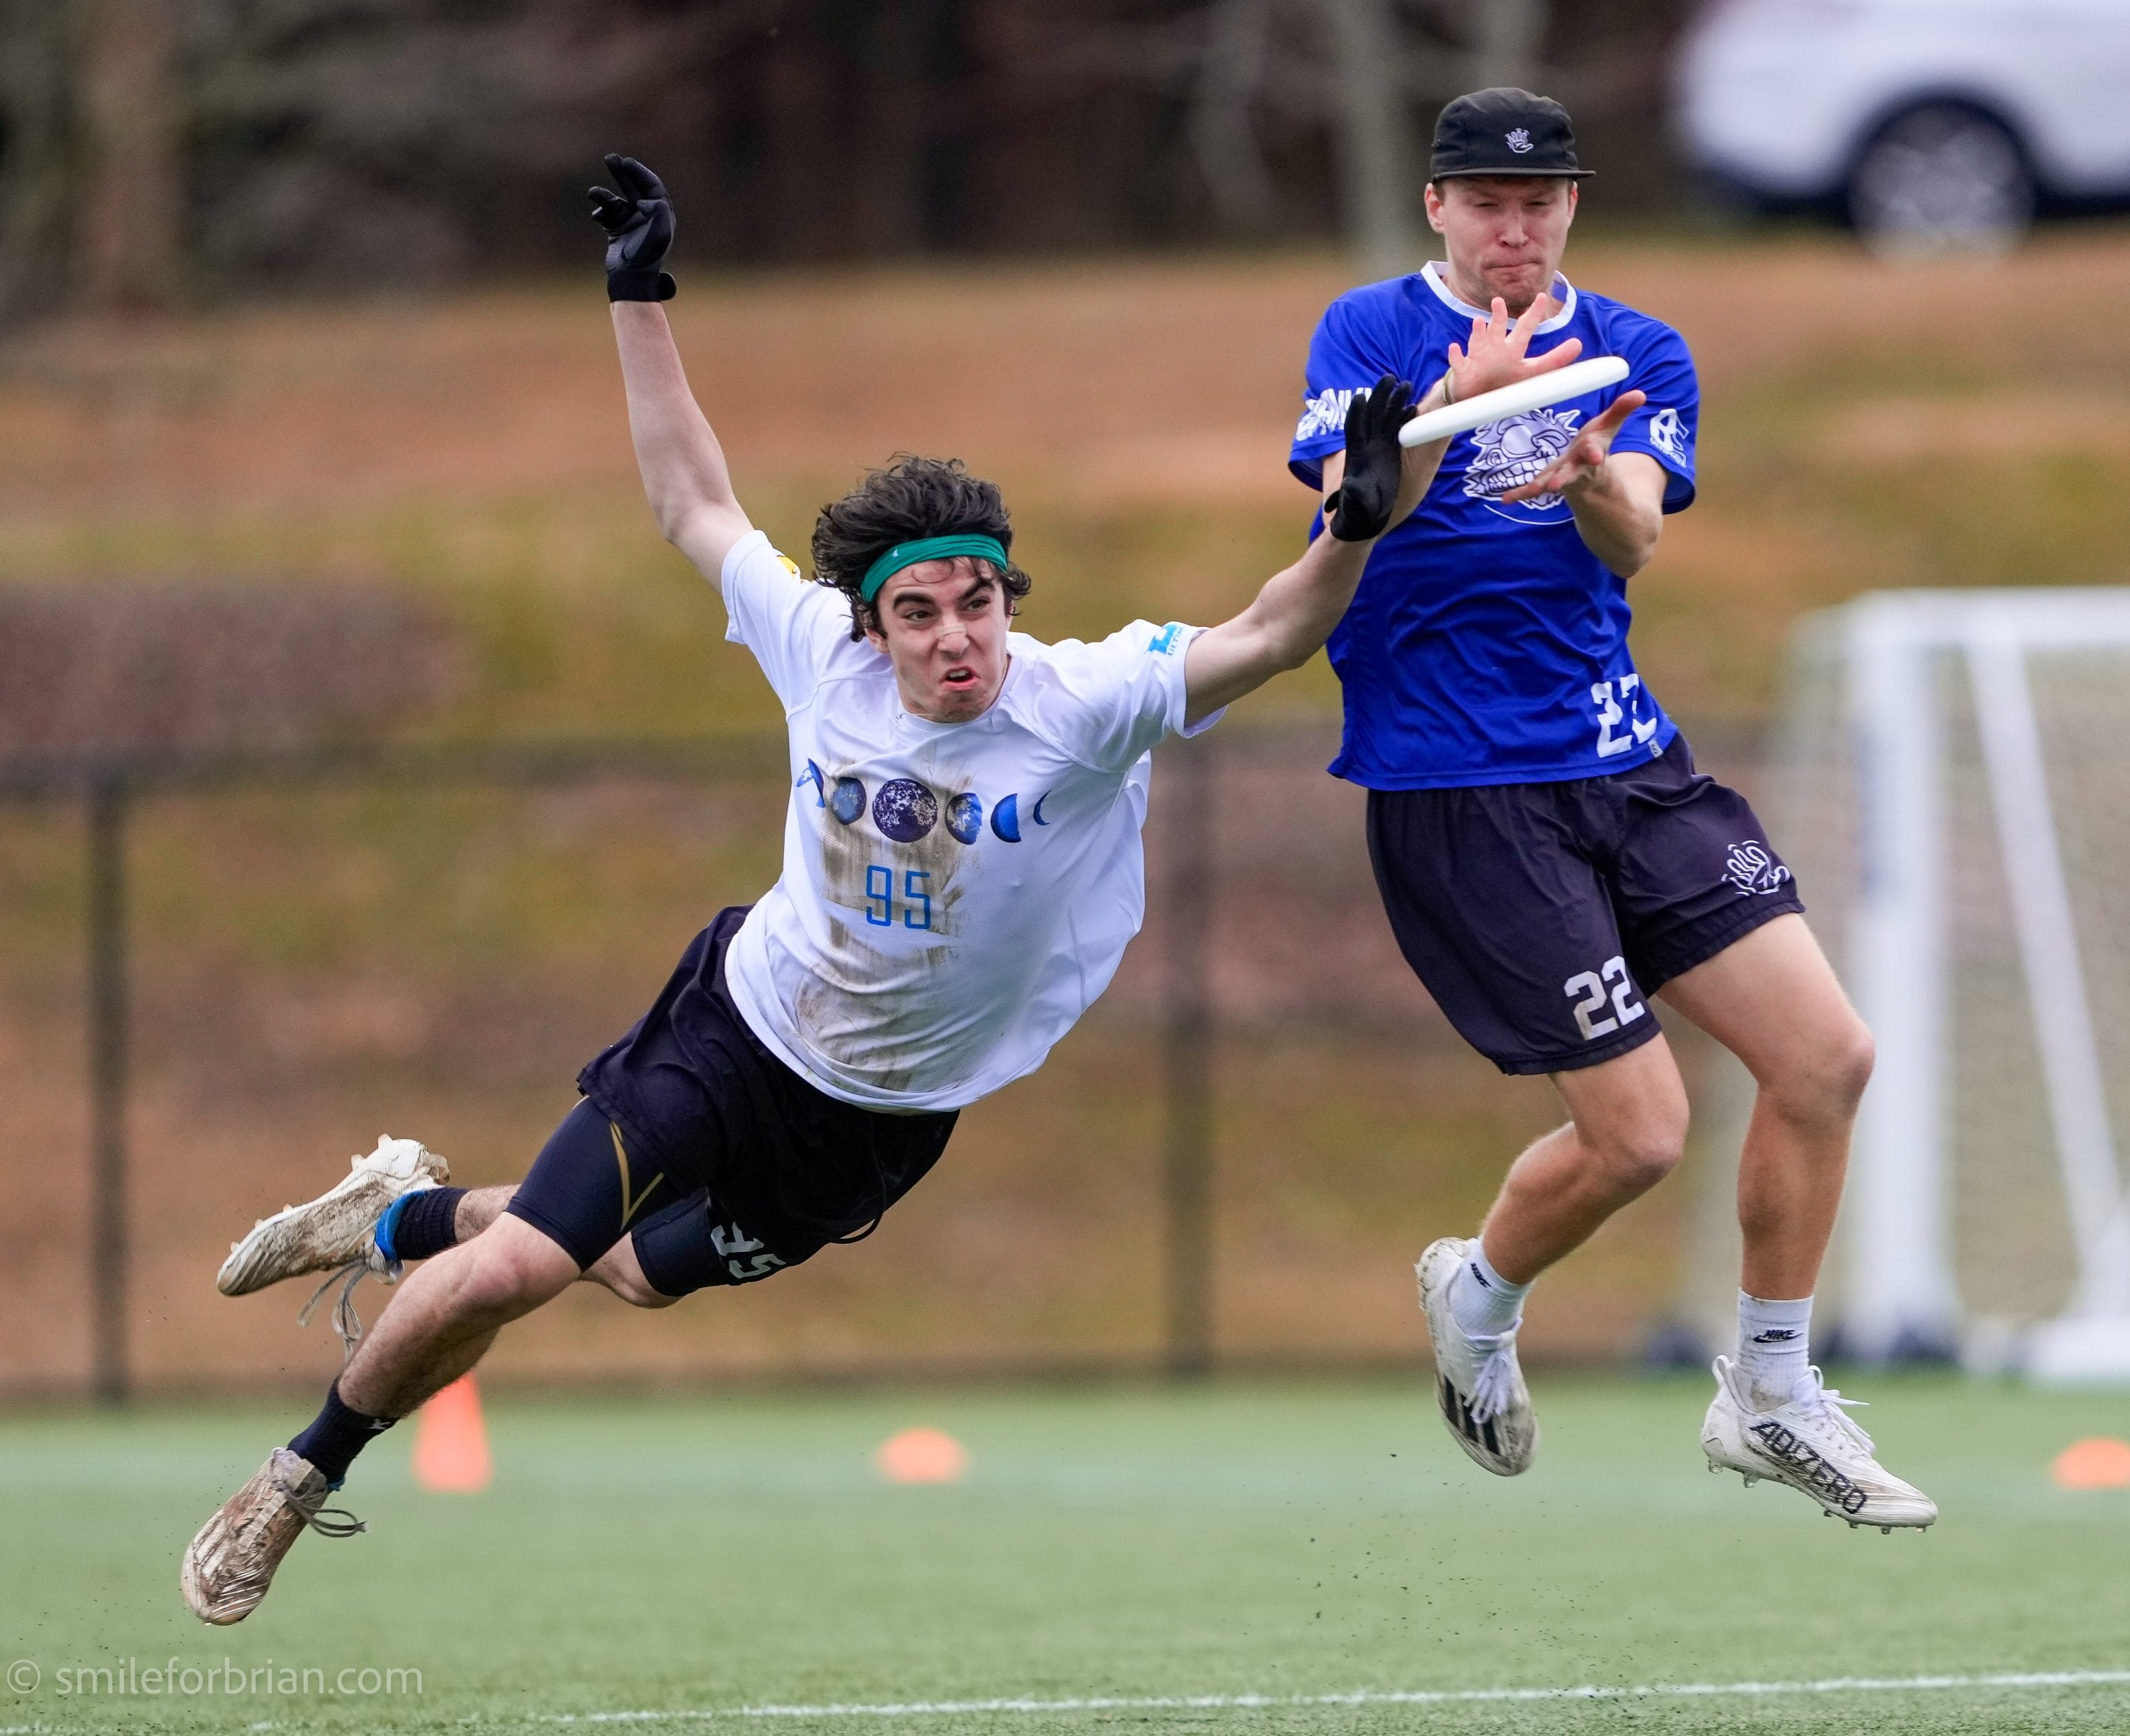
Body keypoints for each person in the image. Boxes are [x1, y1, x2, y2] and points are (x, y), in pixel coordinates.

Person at [180, 153, 1554, 1626]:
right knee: (521, 1269)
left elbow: (1276, 632)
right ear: (871, 621)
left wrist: (1354, 521)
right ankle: (298, 1477)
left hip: (887, 1119)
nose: (957, 634)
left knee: (630, 1277)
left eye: (978, 599)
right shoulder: (819, 655)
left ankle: (397, 1214)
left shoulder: (1088, 701)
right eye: (920, 610)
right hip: (739, 1025)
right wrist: (639, 292)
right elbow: (690, 499)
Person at [1288, 89, 1934, 1530]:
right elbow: (1353, 505)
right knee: (1639, 1136)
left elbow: (1639, 528)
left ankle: (1769, 1390)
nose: (1515, 227)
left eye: (1541, 202)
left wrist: (1586, 477)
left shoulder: (1638, 348)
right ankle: (1482, 1292)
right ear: (1438, 209)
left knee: (1827, 1056)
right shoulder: (1370, 335)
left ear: (1571, 207)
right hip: (1463, 788)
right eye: (1487, 202)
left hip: (1630, 765)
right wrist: (1466, 398)